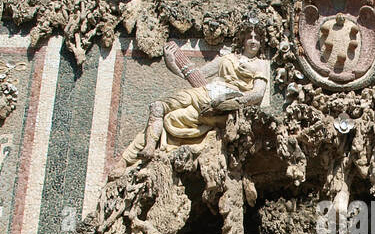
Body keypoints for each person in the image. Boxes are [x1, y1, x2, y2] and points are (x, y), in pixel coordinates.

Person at [112, 26, 269, 176]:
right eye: (250, 37)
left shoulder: (260, 64)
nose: (253, 41)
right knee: (159, 107)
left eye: (257, 38)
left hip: (225, 106)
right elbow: (196, 74)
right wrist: (171, 62)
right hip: (206, 93)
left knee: (172, 118)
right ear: (243, 40)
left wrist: (228, 103)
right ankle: (131, 157)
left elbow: (258, 94)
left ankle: (149, 153)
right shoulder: (227, 58)